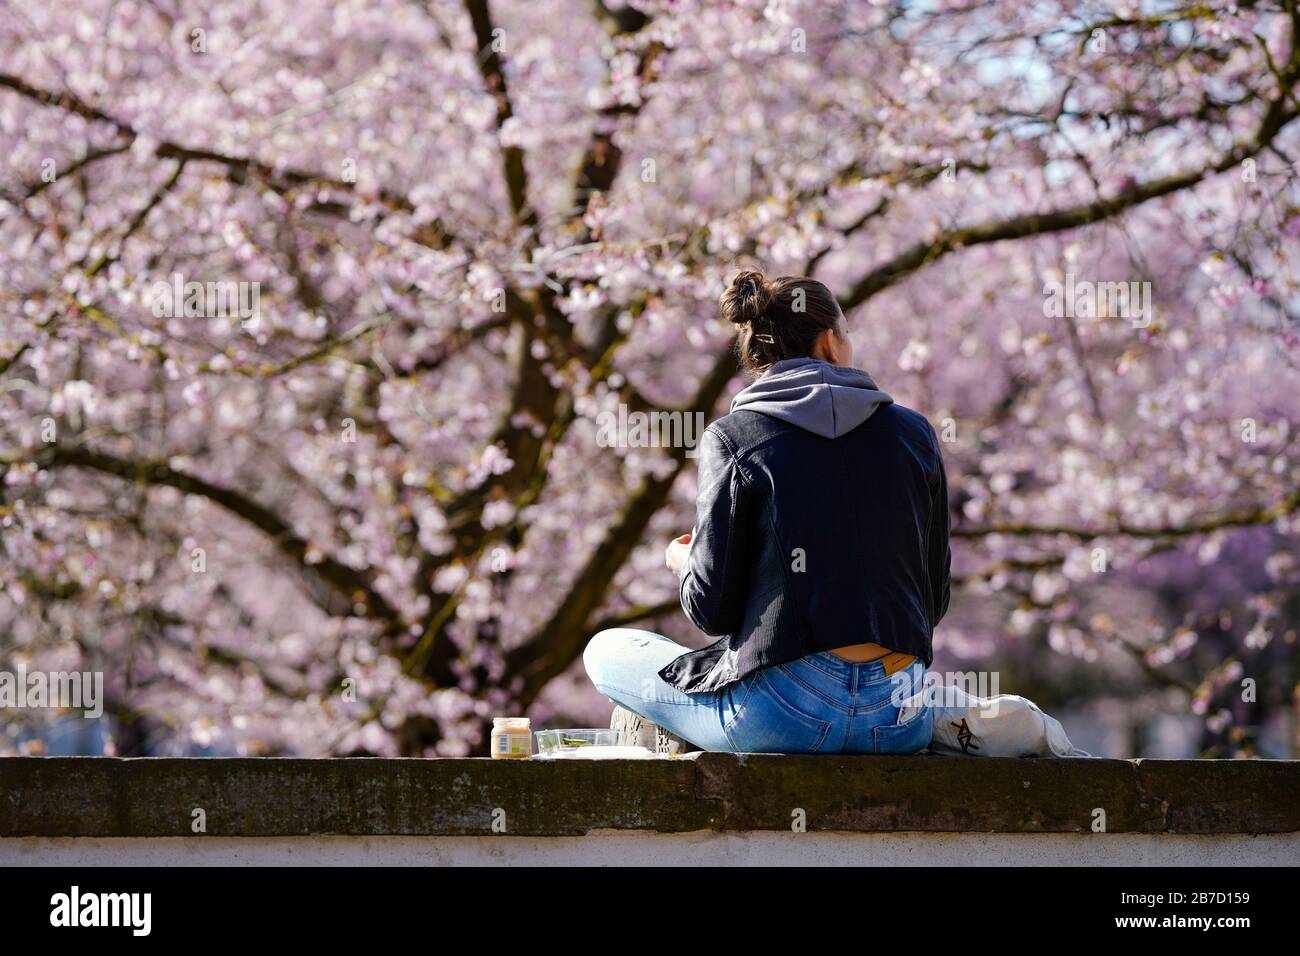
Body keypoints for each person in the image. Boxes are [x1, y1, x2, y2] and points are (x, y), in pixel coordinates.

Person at [583, 268, 952, 753]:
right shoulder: (914, 433)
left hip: (784, 718)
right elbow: (934, 600)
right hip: (899, 716)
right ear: (830, 343)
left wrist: (686, 564)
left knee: (605, 649)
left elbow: (712, 611)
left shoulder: (734, 438)